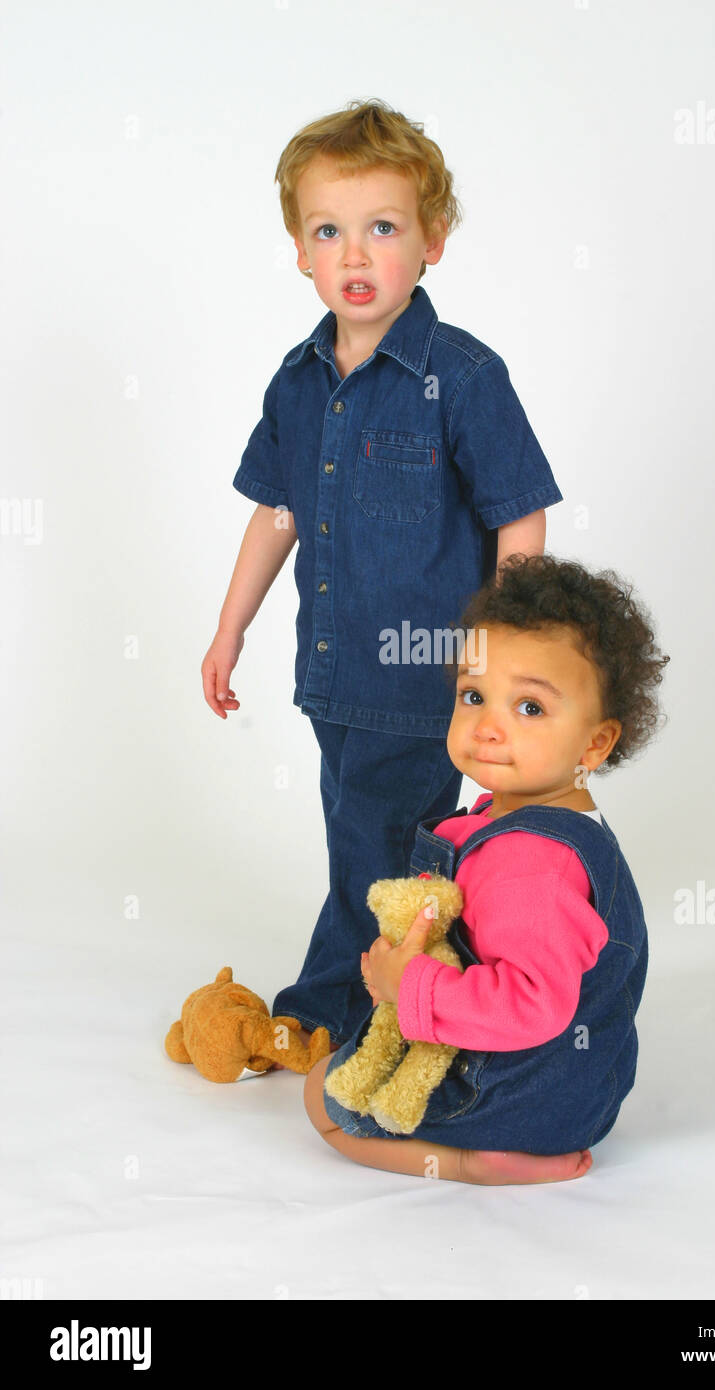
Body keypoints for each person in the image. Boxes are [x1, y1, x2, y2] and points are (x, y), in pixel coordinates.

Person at [200, 99, 563, 1055]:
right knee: (372, 843)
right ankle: (427, 994)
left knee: (378, 847)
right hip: (333, 675)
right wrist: (229, 627)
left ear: (432, 240)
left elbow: (517, 510)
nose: (355, 256)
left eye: (383, 228)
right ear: (300, 249)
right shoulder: (297, 379)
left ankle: (345, 1012)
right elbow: (276, 512)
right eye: (331, 231)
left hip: (424, 673)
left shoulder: (464, 375)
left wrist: (508, 640)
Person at [304, 553, 670, 1185]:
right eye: (473, 696)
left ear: (595, 743)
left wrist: (407, 985)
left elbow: (531, 1005)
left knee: (323, 1101)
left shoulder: (534, 864)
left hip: (510, 1100)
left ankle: (471, 1161)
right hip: (574, 1094)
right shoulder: (540, 822)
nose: (489, 727)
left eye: (529, 708)